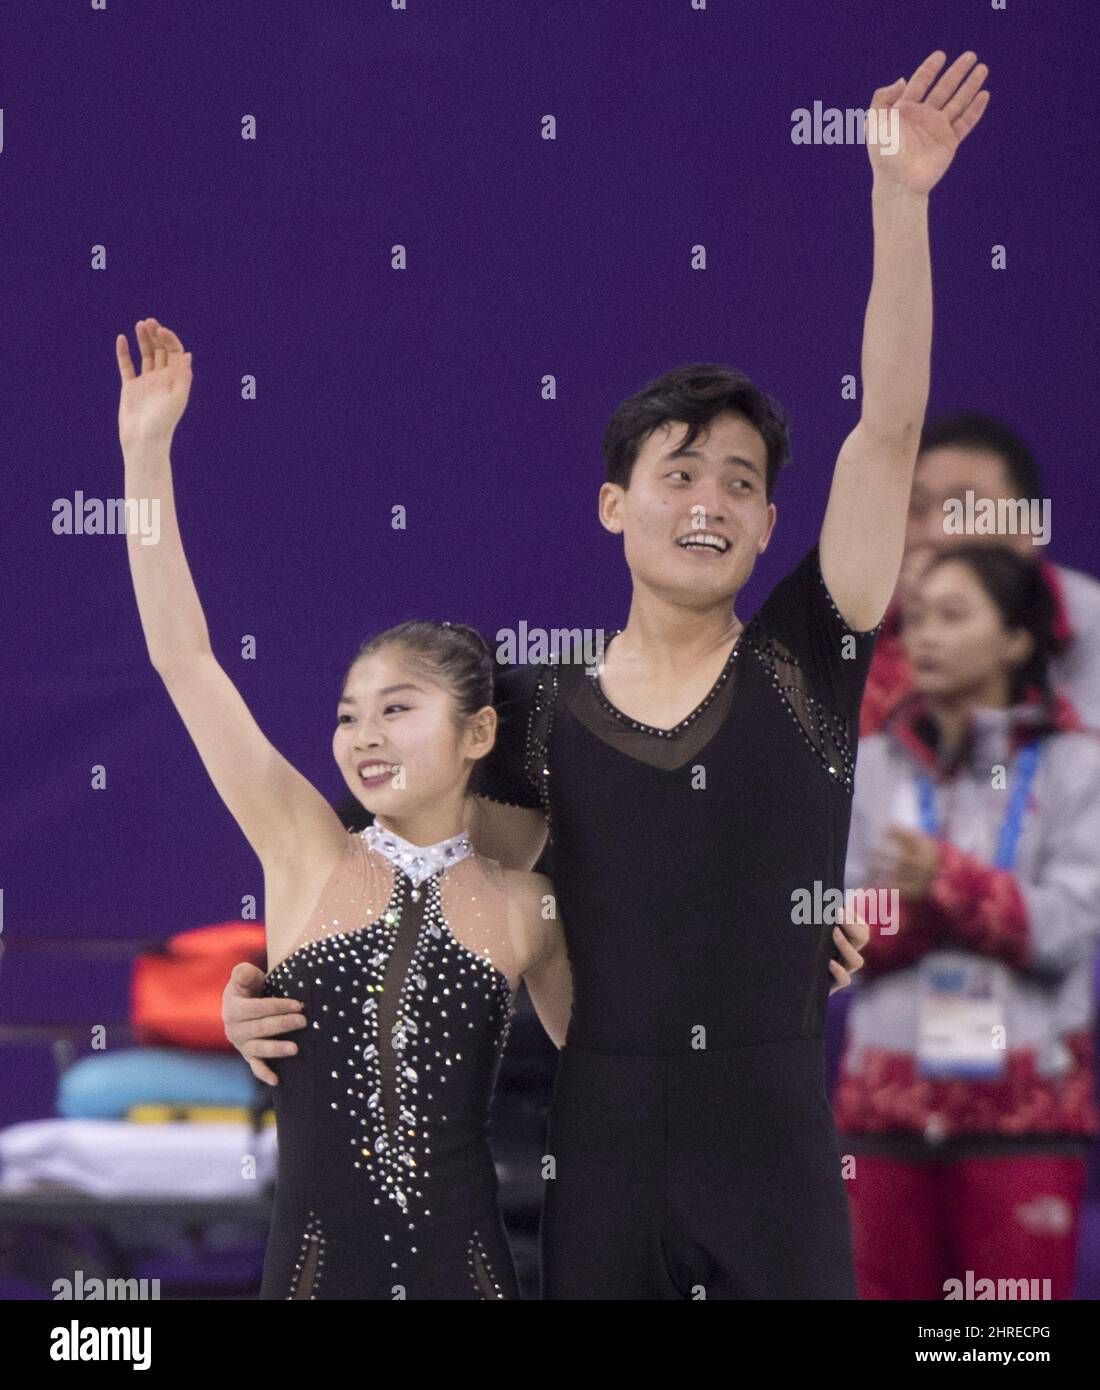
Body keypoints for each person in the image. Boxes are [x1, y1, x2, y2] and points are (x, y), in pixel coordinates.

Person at [225, 49, 989, 1298]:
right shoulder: (524, 713)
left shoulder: (809, 654)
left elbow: (886, 431)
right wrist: (250, 994)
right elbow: (371, 864)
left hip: (774, 1145)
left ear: (763, 524)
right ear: (610, 505)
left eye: (739, 482)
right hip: (600, 1151)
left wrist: (896, 203)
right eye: (676, 474)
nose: (709, 501)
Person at [116, 318, 573, 1299]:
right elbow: (182, 658)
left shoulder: (530, 904)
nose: (362, 734)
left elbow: (632, 1068)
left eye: (397, 710)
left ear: (477, 734)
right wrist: (144, 454)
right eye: (346, 715)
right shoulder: (302, 850)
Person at [836, 543, 1100, 1299]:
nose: (924, 636)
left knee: (1000, 1352)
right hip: (882, 1118)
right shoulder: (873, 765)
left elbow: (1064, 931)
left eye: (953, 616)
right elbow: (837, 935)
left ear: (1017, 639)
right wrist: (918, 907)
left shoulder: (1078, 768)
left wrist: (945, 882)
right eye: (915, 618)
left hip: (1023, 1120)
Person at [862, 412, 1100, 736]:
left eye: (963, 507)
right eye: (917, 508)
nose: (935, 533)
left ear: (1027, 529)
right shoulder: (867, 628)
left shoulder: (1089, 620)